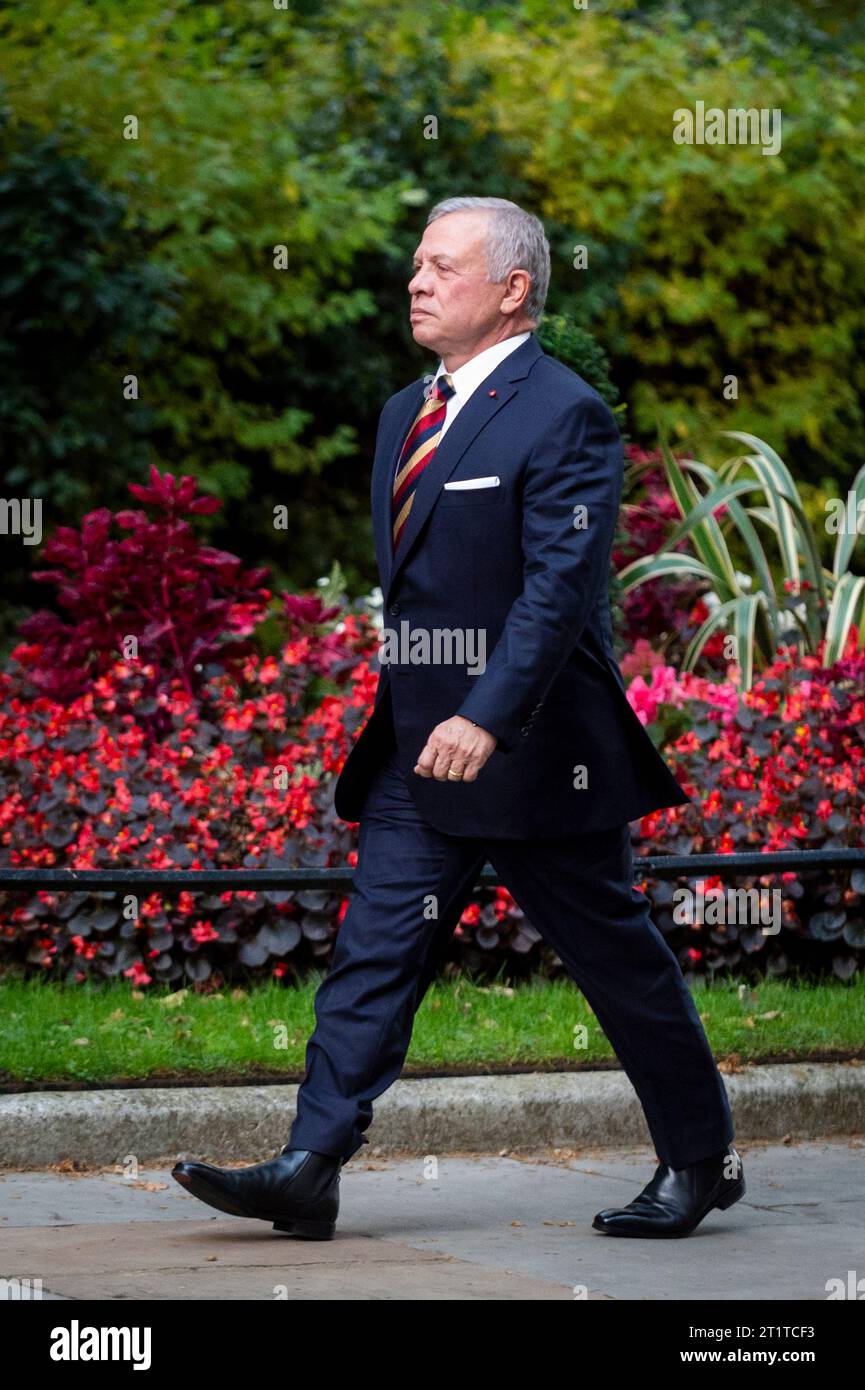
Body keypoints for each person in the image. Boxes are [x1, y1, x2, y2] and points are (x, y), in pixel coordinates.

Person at [173, 195, 743, 1241]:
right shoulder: (405, 411)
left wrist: (486, 716)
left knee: (616, 960)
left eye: (443, 267)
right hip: (417, 752)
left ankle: (698, 1157)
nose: (416, 282)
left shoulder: (563, 410)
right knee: (374, 951)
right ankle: (310, 1163)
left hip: (538, 753)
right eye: (415, 266)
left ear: (513, 289)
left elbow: (558, 589)